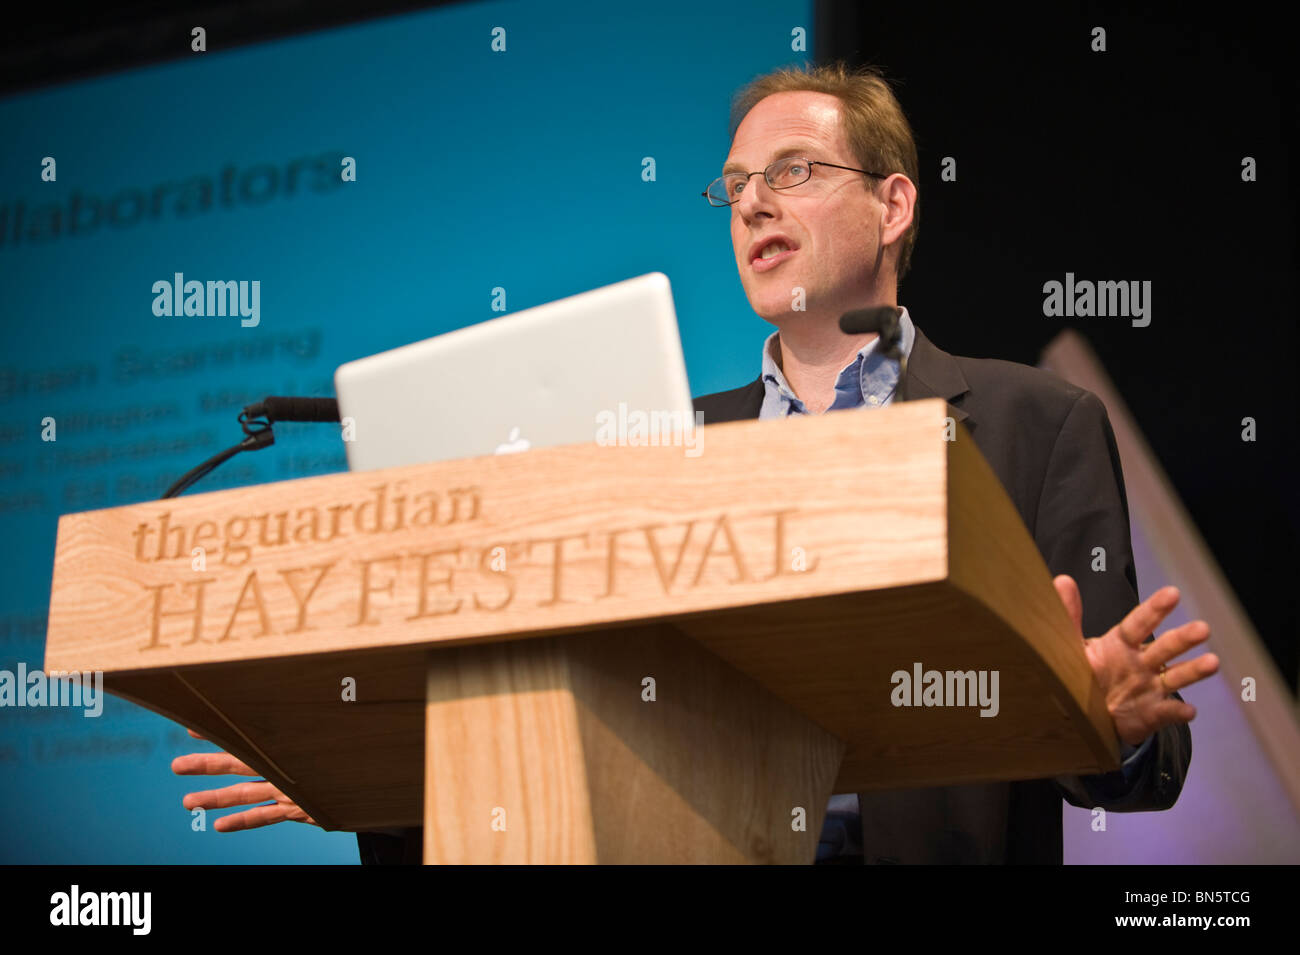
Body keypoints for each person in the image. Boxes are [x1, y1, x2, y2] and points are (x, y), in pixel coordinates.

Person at [174, 61, 1220, 864]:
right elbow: (585, 738)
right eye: (735, 187)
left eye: (793, 173)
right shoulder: (660, 449)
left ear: (894, 205)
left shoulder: (1036, 421)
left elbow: (1144, 756)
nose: (754, 204)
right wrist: (373, 775)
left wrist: (1096, 718)